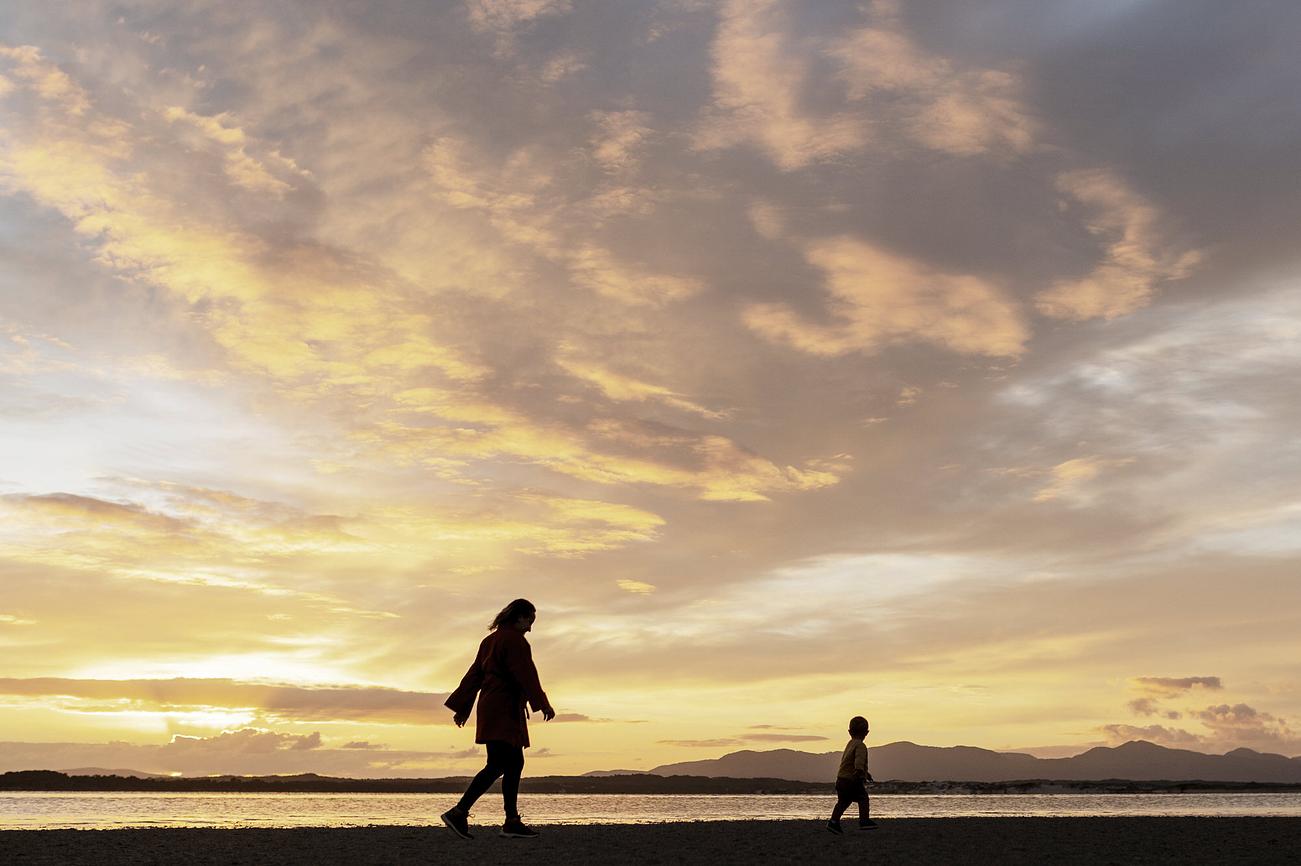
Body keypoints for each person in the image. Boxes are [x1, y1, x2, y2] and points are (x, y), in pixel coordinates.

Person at [440, 598, 555, 840]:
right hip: (504, 708)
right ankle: (459, 812)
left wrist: (463, 707)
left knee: (512, 763)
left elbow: (473, 675)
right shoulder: (514, 641)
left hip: (491, 706)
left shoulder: (490, 641)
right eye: (529, 621)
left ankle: (511, 820)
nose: (531, 628)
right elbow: (526, 674)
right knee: (500, 764)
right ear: (519, 617)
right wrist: (542, 703)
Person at [827, 715, 877, 833]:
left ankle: (833, 822)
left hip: (841, 779)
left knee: (843, 801)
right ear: (866, 732)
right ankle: (864, 821)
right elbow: (858, 761)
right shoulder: (860, 745)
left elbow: (848, 761)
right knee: (863, 798)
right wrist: (860, 772)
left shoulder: (850, 744)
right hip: (852, 779)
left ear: (849, 732)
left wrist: (866, 773)